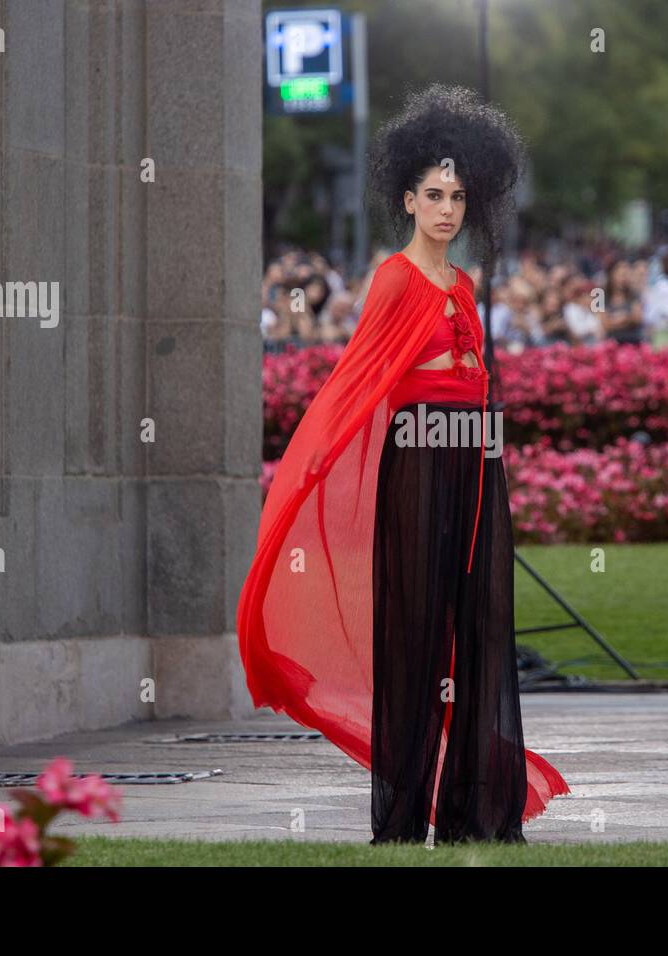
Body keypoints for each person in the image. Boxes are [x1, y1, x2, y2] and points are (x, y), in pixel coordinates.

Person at [236, 84, 569, 848]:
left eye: (458, 196)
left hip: (476, 471)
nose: (447, 209)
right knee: (417, 636)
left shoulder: (465, 285)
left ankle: (474, 811)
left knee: (480, 628)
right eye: (433, 195)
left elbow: (475, 375)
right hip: (418, 470)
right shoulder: (394, 278)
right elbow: (360, 380)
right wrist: (312, 469)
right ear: (408, 200)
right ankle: (401, 816)